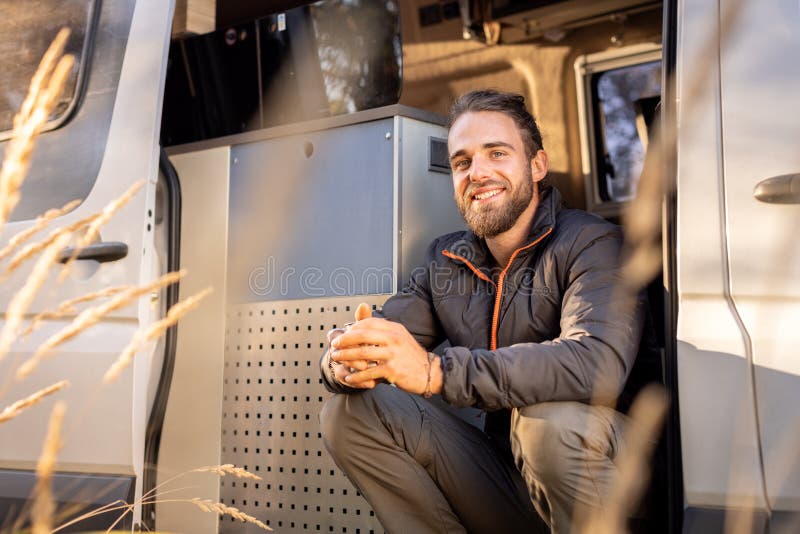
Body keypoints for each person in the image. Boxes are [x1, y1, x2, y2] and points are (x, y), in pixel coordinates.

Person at [318, 89, 651, 534]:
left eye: (497, 152)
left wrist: (437, 372)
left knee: (547, 426)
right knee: (350, 414)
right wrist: (346, 359)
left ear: (536, 165)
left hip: (604, 474)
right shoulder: (446, 260)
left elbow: (597, 364)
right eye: (462, 161)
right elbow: (380, 341)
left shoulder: (592, 242)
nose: (478, 172)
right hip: (510, 478)